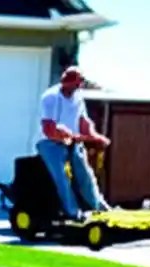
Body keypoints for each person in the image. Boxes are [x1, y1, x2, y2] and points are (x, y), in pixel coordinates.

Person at [36, 66, 111, 220]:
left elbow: (84, 122)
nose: (78, 86)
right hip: (49, 142)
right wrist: (63, 134)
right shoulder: (50, 97)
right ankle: (73, 212)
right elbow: (48, 128)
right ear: (66, 82)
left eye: (80, 83)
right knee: (62, 175)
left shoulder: (78, 98)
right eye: (76, 83)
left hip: (71, 141)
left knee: (86, 174)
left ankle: (98, 205)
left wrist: (96, 137)